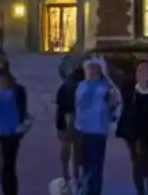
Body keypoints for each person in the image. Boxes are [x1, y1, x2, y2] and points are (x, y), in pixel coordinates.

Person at [76, 57, 119, 195]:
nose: (89, 70)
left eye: (92, 68)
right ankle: (86, 189)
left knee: (95, 165)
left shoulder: (106, 86)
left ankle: (94, 191)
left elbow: (114, 104)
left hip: (98, 131)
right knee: (86, 164)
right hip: (83, 130)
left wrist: (111, 109)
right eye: (88, 68)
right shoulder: (82, 85)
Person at [118, 59, 148, 195]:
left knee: (146, 156)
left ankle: (145, 180)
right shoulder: (130, 93)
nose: (141, 74)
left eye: (144, 71)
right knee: (137, 158)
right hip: (133, 131)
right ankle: (140, 188)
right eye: (139, 71)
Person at [0, 66, 29, 195]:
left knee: (8, 165)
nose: (0, 83)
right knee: (3, 165)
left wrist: (22, 126)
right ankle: (9, 190)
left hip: (13, 131)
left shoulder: (18, 90)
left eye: (2, 80)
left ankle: (10, 191)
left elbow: (23, 109)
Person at [56, 62, 84, 190]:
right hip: (78, 119)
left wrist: (59, 126)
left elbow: (60, 107)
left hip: (67, 119)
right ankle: (76, 178)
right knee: (77, 152)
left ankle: (66, 178)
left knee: (65, 152)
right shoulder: (83, 85)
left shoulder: (64, 86)